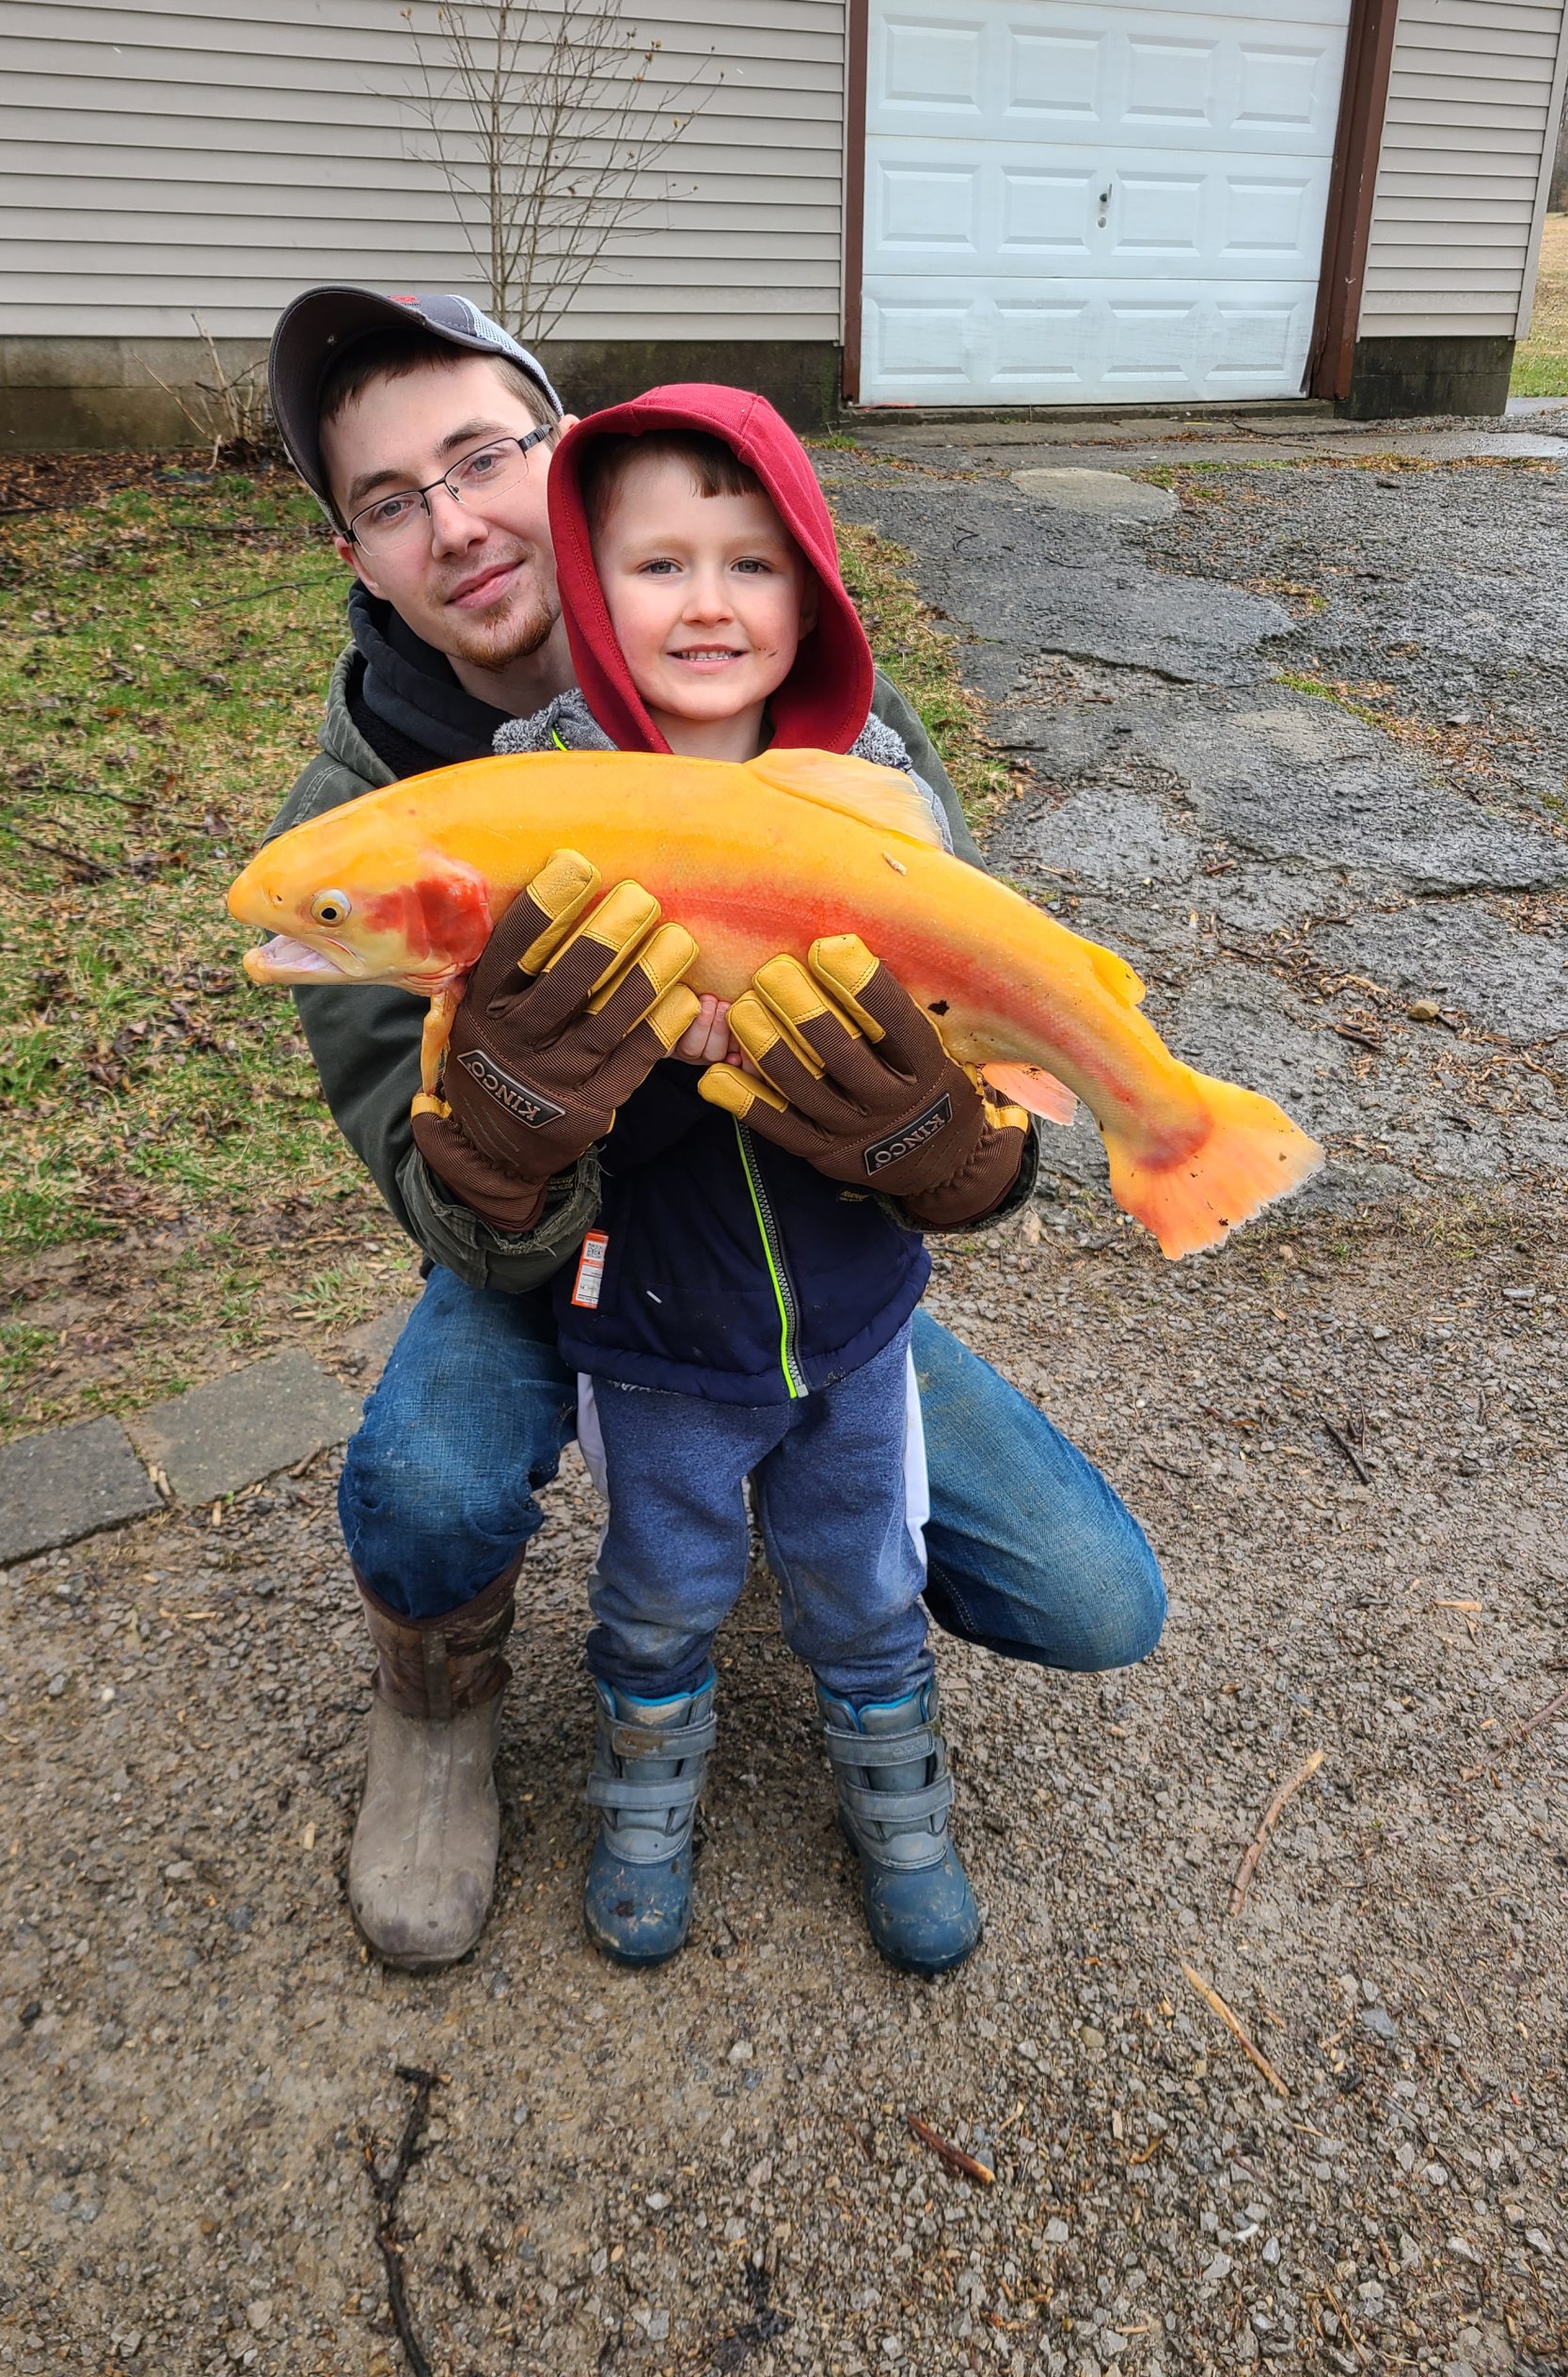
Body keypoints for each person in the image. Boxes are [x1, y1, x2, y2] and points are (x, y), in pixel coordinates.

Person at [261, 287, 1166, 1973]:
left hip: (802, 1263)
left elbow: (980, 1010)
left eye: (483, 456)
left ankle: (790, 1524)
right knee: (424, 1483)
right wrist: (510, 1125)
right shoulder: (355, 829)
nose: (452, 520)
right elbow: (433, 1200)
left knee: (1093, 1599)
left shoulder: (838, 748)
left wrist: (956, 1164)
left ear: (569, 463)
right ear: (356, 553)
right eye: (390, 499)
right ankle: (440, 1705)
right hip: (555, 1255)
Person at [480, 387, 1034, 1974]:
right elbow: (485, 1070)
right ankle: (645, 1784)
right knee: (660, 1577)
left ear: (816, 590)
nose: (709, 602)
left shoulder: (879, 791)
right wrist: (581, 1078)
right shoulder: (538, 801)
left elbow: (976, 1056)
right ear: (590, 591)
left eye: (754, 562)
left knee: (868, 1567)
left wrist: (966, 1151)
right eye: (658, 565)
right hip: (653, 1324)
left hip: (856, 1317)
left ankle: (896, 1787)